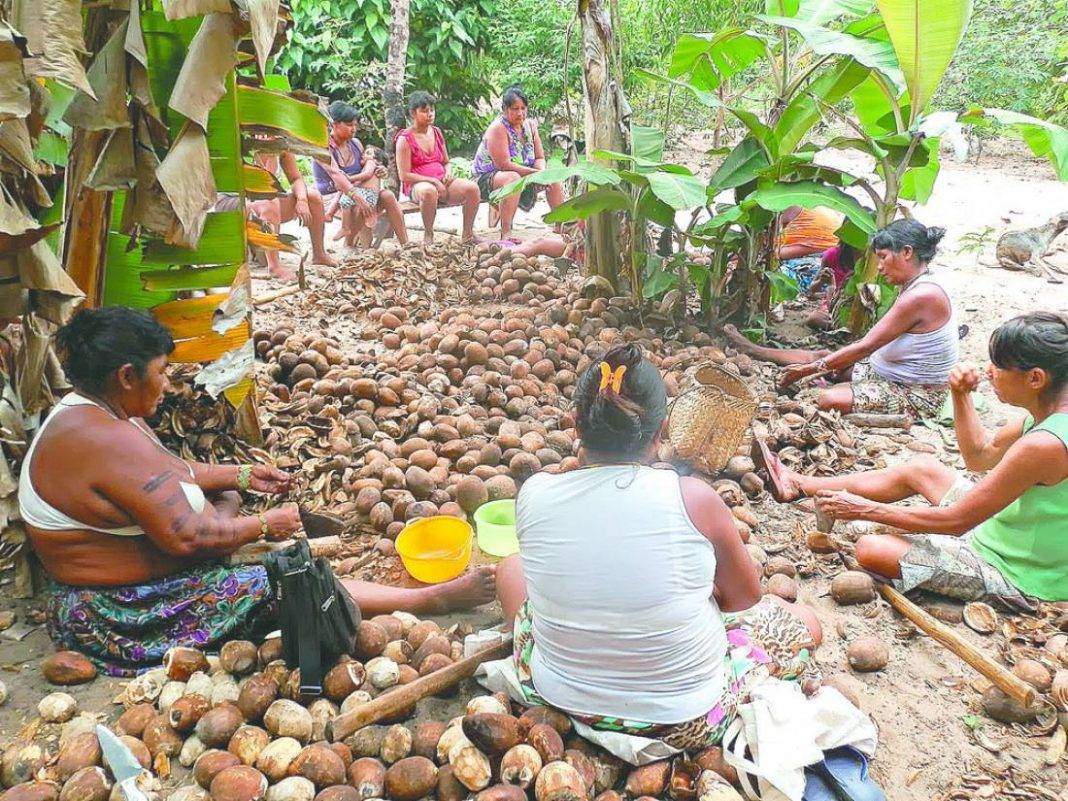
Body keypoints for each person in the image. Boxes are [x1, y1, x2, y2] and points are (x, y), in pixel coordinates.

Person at [20, 308, 495, 676]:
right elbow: (186, 538)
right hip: (119, 611)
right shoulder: (105, 439)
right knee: (290, 580)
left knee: (237, 516)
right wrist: (265, 524)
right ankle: (428, 600)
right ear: (126, 376)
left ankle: (240, 532)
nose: (166, 384)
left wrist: (241, 477)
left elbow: (171, 471)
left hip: (134, 576)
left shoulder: (100, 414)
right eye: (161, 372)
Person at [494, 344, 823, 749]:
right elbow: (744, 599)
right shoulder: (695, 498)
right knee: (804, 620)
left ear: (574, 423)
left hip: (560, 697)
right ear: (661, 431)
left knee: (510, 568)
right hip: (684, 720)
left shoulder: (534, 493)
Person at [766, 312, 1068, 612]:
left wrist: (865, 510)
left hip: (1019, 573)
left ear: (1035, 378)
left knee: (872, 549)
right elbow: (979, 457)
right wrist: (960, 394)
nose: (990, 371)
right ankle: (800, 483)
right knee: (922, 469)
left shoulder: (1043, 445)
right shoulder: (1043, 420)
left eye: (999, 366)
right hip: (1001, 528)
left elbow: (956, 522)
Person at [724, 219, 959, 419]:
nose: (879, 267)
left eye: (883, 257)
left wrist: (807, 371)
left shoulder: (922, 295)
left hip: (916, 393)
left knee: (823, 399)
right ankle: (753, 349)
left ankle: (825, 381)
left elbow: (867, 345)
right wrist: (818, 366)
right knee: (824, 358)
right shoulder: (916, 285)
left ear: (907, 252)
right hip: (886, 372)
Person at [472, 86, 564, 242]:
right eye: (515, 109)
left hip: (524, 173)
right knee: (512, 179)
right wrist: (535, 175)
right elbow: (503, 165)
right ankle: (506, 232)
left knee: (553, 177)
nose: (520, 113)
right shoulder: (498, 128)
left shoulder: (530, 126)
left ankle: (560, 226)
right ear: (504, 109)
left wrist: (542, 173)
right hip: (487, 178)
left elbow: (539, 157)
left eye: (523, 108)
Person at [313, 101, 409, 251]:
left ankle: (406, 245)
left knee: (388, 196)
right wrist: (358, 197)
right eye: (349, 125)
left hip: (357, 190)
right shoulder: (322, 147)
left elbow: (367, 168)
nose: (354, 129)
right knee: (359, 206)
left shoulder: (356, 144)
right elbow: (336, 175)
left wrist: (381, 170)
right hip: (332, 196)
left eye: (355, 125)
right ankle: (349, 244)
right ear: (334, 124)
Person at [395, 91, 481, 244]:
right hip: (418, 185)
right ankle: (428, 234)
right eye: (424, 111)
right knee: (429, 191)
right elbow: (404, 175)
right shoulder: (404, 139)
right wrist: (433, 181)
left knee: (472, 188)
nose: (430, 114)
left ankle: (467, 234)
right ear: (413, 113)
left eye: (432, 110)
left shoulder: (436, 132)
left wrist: (448, 172)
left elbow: (446, 161)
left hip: (442, 181)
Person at [247, 151, 338, 281]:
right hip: (241, 203)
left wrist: (302, 200)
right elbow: (260, 187)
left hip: (271, 202)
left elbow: (296, 178)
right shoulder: (245, 144)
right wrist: (263, 154)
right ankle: (274, 267)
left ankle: (319, 254)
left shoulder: (281, 147)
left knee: (313, 197)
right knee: (270, 202)